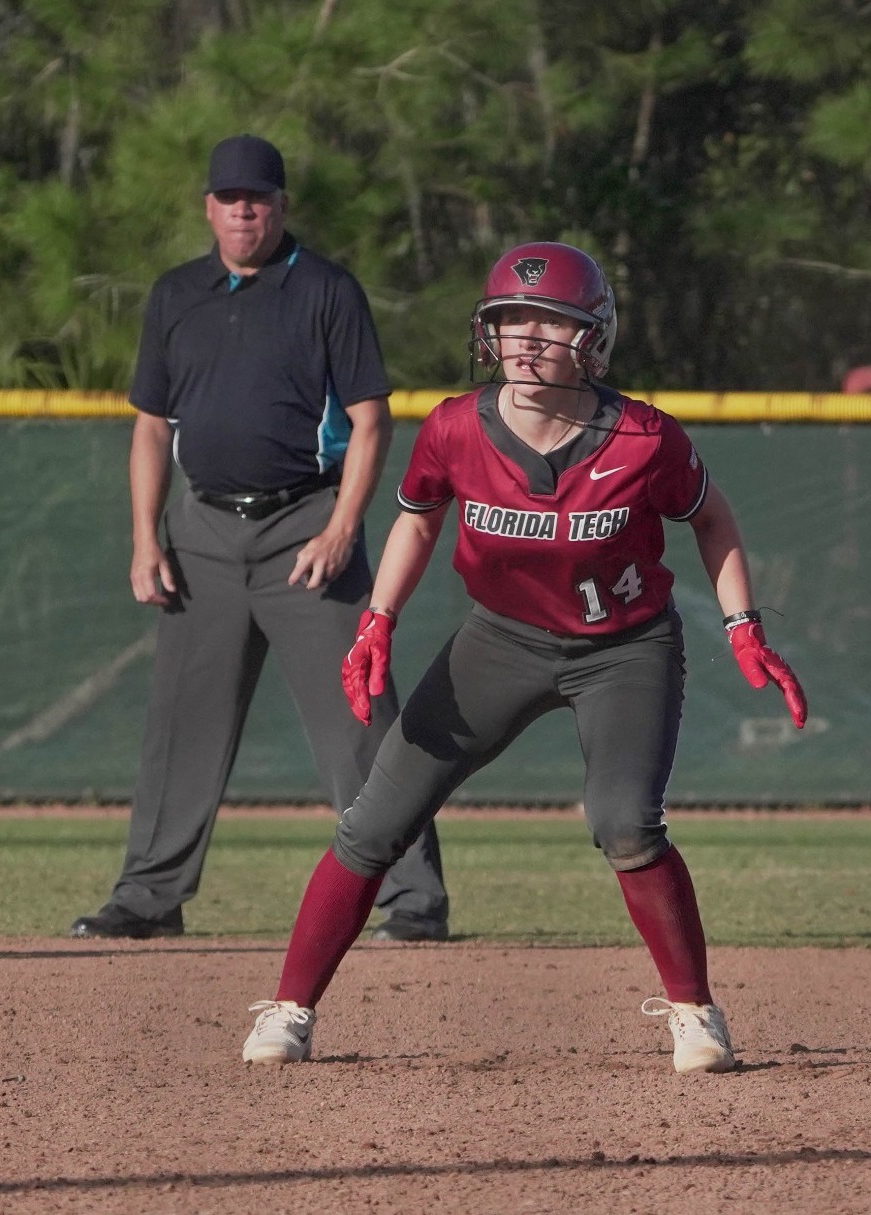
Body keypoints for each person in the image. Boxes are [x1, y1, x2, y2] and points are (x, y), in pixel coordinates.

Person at [241, 241, 806, 1073]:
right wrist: (377, 618)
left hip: (623, 647)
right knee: (374, 819)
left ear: (592, 337)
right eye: (510, 319)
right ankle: (290, 1007)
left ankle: (695, 1012)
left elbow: (711, 518)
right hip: (500, 639)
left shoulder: (643, 436)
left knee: (623, 821)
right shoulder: (455, 426)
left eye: (549, 321)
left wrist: (742, 624)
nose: (525, 338)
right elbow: (419, 519)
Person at [69, 134, 448, 942]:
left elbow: (371, 420)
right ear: (208, 207)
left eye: (259, 198)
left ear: (280, 205)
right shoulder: (177, 294)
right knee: (181, 723)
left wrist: (342, 527)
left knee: (360, 715)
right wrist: (145, 539)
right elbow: (150, 426)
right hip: (201, 531)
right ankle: (148, 897)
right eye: (230, 198)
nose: (244, 210)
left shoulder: (325, 290)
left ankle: (413, 899)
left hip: (305, 528)